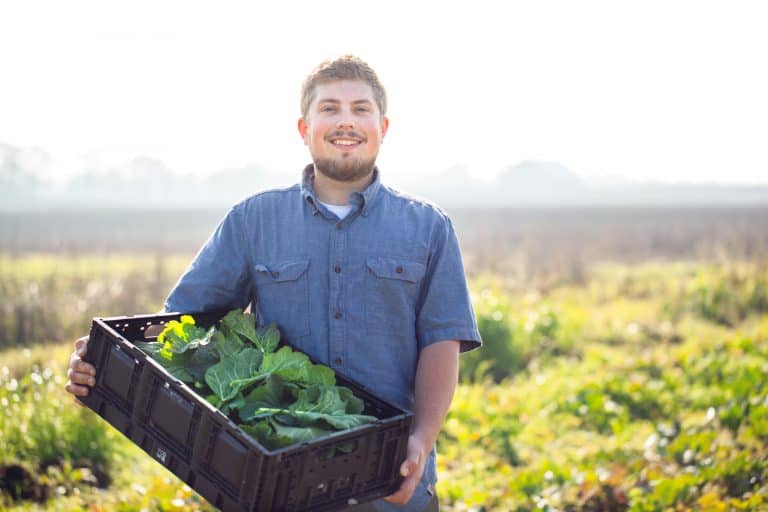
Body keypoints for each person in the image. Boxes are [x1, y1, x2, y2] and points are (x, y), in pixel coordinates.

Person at [66, 55, 482, 512]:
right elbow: (179, 327)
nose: (346, 121)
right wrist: (106, 364)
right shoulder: (254, 220)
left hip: (391, 483)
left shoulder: (428, 228)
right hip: (274, 487)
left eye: (361, 109)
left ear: (383, 126)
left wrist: (420, 440)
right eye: (329, 108)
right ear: (304, 129)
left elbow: (441, 344)